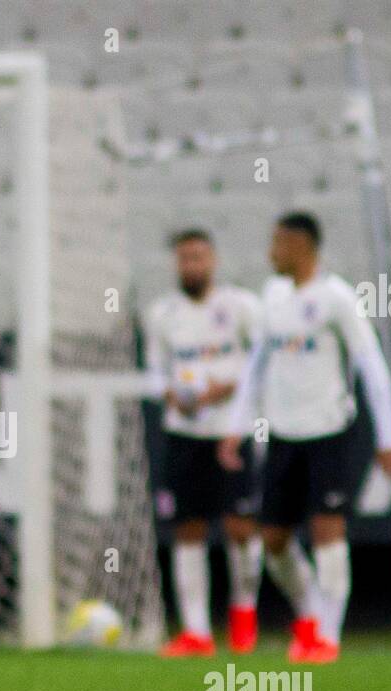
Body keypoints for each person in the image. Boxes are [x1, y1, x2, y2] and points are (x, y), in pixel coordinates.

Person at [219, 212, 391, 663]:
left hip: (330, 430)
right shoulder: (274, 296)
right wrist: (235, 427)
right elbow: (257, 366)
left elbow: (370, 365)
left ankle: (327, 635)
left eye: (278, 244)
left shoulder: (337, 298)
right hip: (283, 434)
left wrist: (390, 435)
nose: (271, 253)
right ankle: (309, 613)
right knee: (275, 540)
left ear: (303, 247)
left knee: (326, 527)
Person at [145, 229, 263, 657]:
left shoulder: (241, 307)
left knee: (239, 526)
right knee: (188, 527)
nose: (191, 265)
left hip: (232, 431)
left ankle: (243, 617)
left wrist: (227, 388)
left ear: (212, 260)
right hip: (184, 432)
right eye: (184, 258)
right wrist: (171, 394)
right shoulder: (163, 314)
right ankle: (196, 630)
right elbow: (155, 370)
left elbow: (260, 361)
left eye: (198, 257)